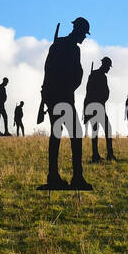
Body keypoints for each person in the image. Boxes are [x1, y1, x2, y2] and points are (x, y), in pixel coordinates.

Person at [37, 16, 91, 190]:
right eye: (84, 34)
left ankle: (57, 176)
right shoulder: (71, 49)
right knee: (73, 134)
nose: (84, 37)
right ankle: (74, 177)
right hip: (61, 96)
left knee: (57, 135)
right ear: (79, 31)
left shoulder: (60, 45)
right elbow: (58, 72)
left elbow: (50, 71)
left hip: (57, 96)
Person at [84, 56, 116, 162]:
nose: (108, 69)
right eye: (108, 67)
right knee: (101, 129)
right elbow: (89, 91)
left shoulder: (97, 75)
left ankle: (100, 155)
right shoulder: (97, 75)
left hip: (98, 106)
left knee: (98, 130)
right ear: (105, 65)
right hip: (96, 106)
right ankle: (99, 155)